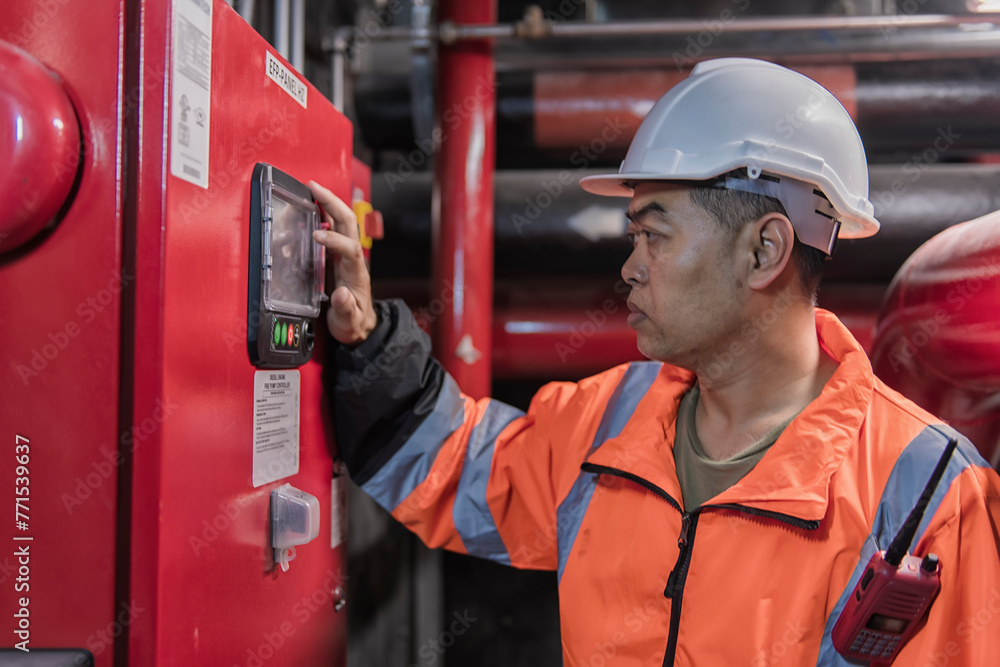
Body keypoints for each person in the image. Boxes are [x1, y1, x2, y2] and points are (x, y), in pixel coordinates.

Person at [309, 58, 1000, 666]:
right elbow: (459, 468)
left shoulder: (928, 495)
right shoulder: (612, 420)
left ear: (763, 250)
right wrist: (366, 340)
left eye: (653, 236)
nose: (630, 268)